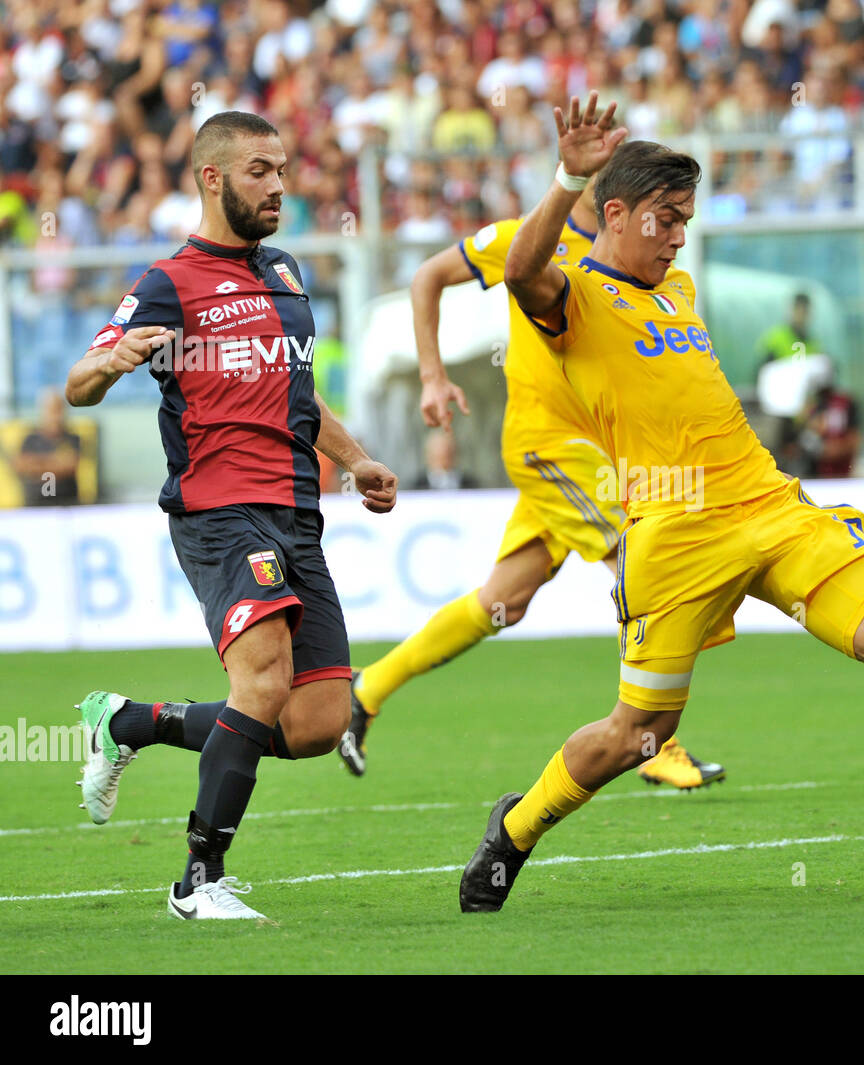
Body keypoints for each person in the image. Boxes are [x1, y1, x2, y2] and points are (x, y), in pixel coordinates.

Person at [458, 95, 864, 913]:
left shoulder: (681, 289)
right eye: (664, 219)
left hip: (768, 502)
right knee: (639, 736)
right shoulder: (575, 297)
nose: (677, 235)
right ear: (615, 214)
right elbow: (521, 270)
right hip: (674, 531)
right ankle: (516, 827)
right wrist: (567, 178)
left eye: (686, 220)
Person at [64, 111, 398, 920]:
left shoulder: (284, 271)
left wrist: (353, 460)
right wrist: (111, 363)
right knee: (263, 678)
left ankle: (130, 722)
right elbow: (77, 383)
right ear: (212, 179)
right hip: (220, 510)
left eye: (281, 167)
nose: (278, 185)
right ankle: (197, 880)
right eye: (259, 170)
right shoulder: (167, 282)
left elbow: (297, 384)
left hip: (297, 511)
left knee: (317, 719)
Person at [341, 162, 725, 791]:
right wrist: (433, 374)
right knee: (643, 561)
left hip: (594, 454)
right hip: (552, 447)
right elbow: (428, 275)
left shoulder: (638, 259)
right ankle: (654, 742)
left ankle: (370, 687)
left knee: (502, 603)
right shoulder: (525, 240)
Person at [14, 387, 83, 505]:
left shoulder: (72, 438)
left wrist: (37, 464)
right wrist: (56, 461)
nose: (55, 415)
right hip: (35, 504)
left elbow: (70, 466)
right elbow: (21, 466)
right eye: (51, 410)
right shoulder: (30, 439)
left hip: (67, 504)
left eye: (58, 409)